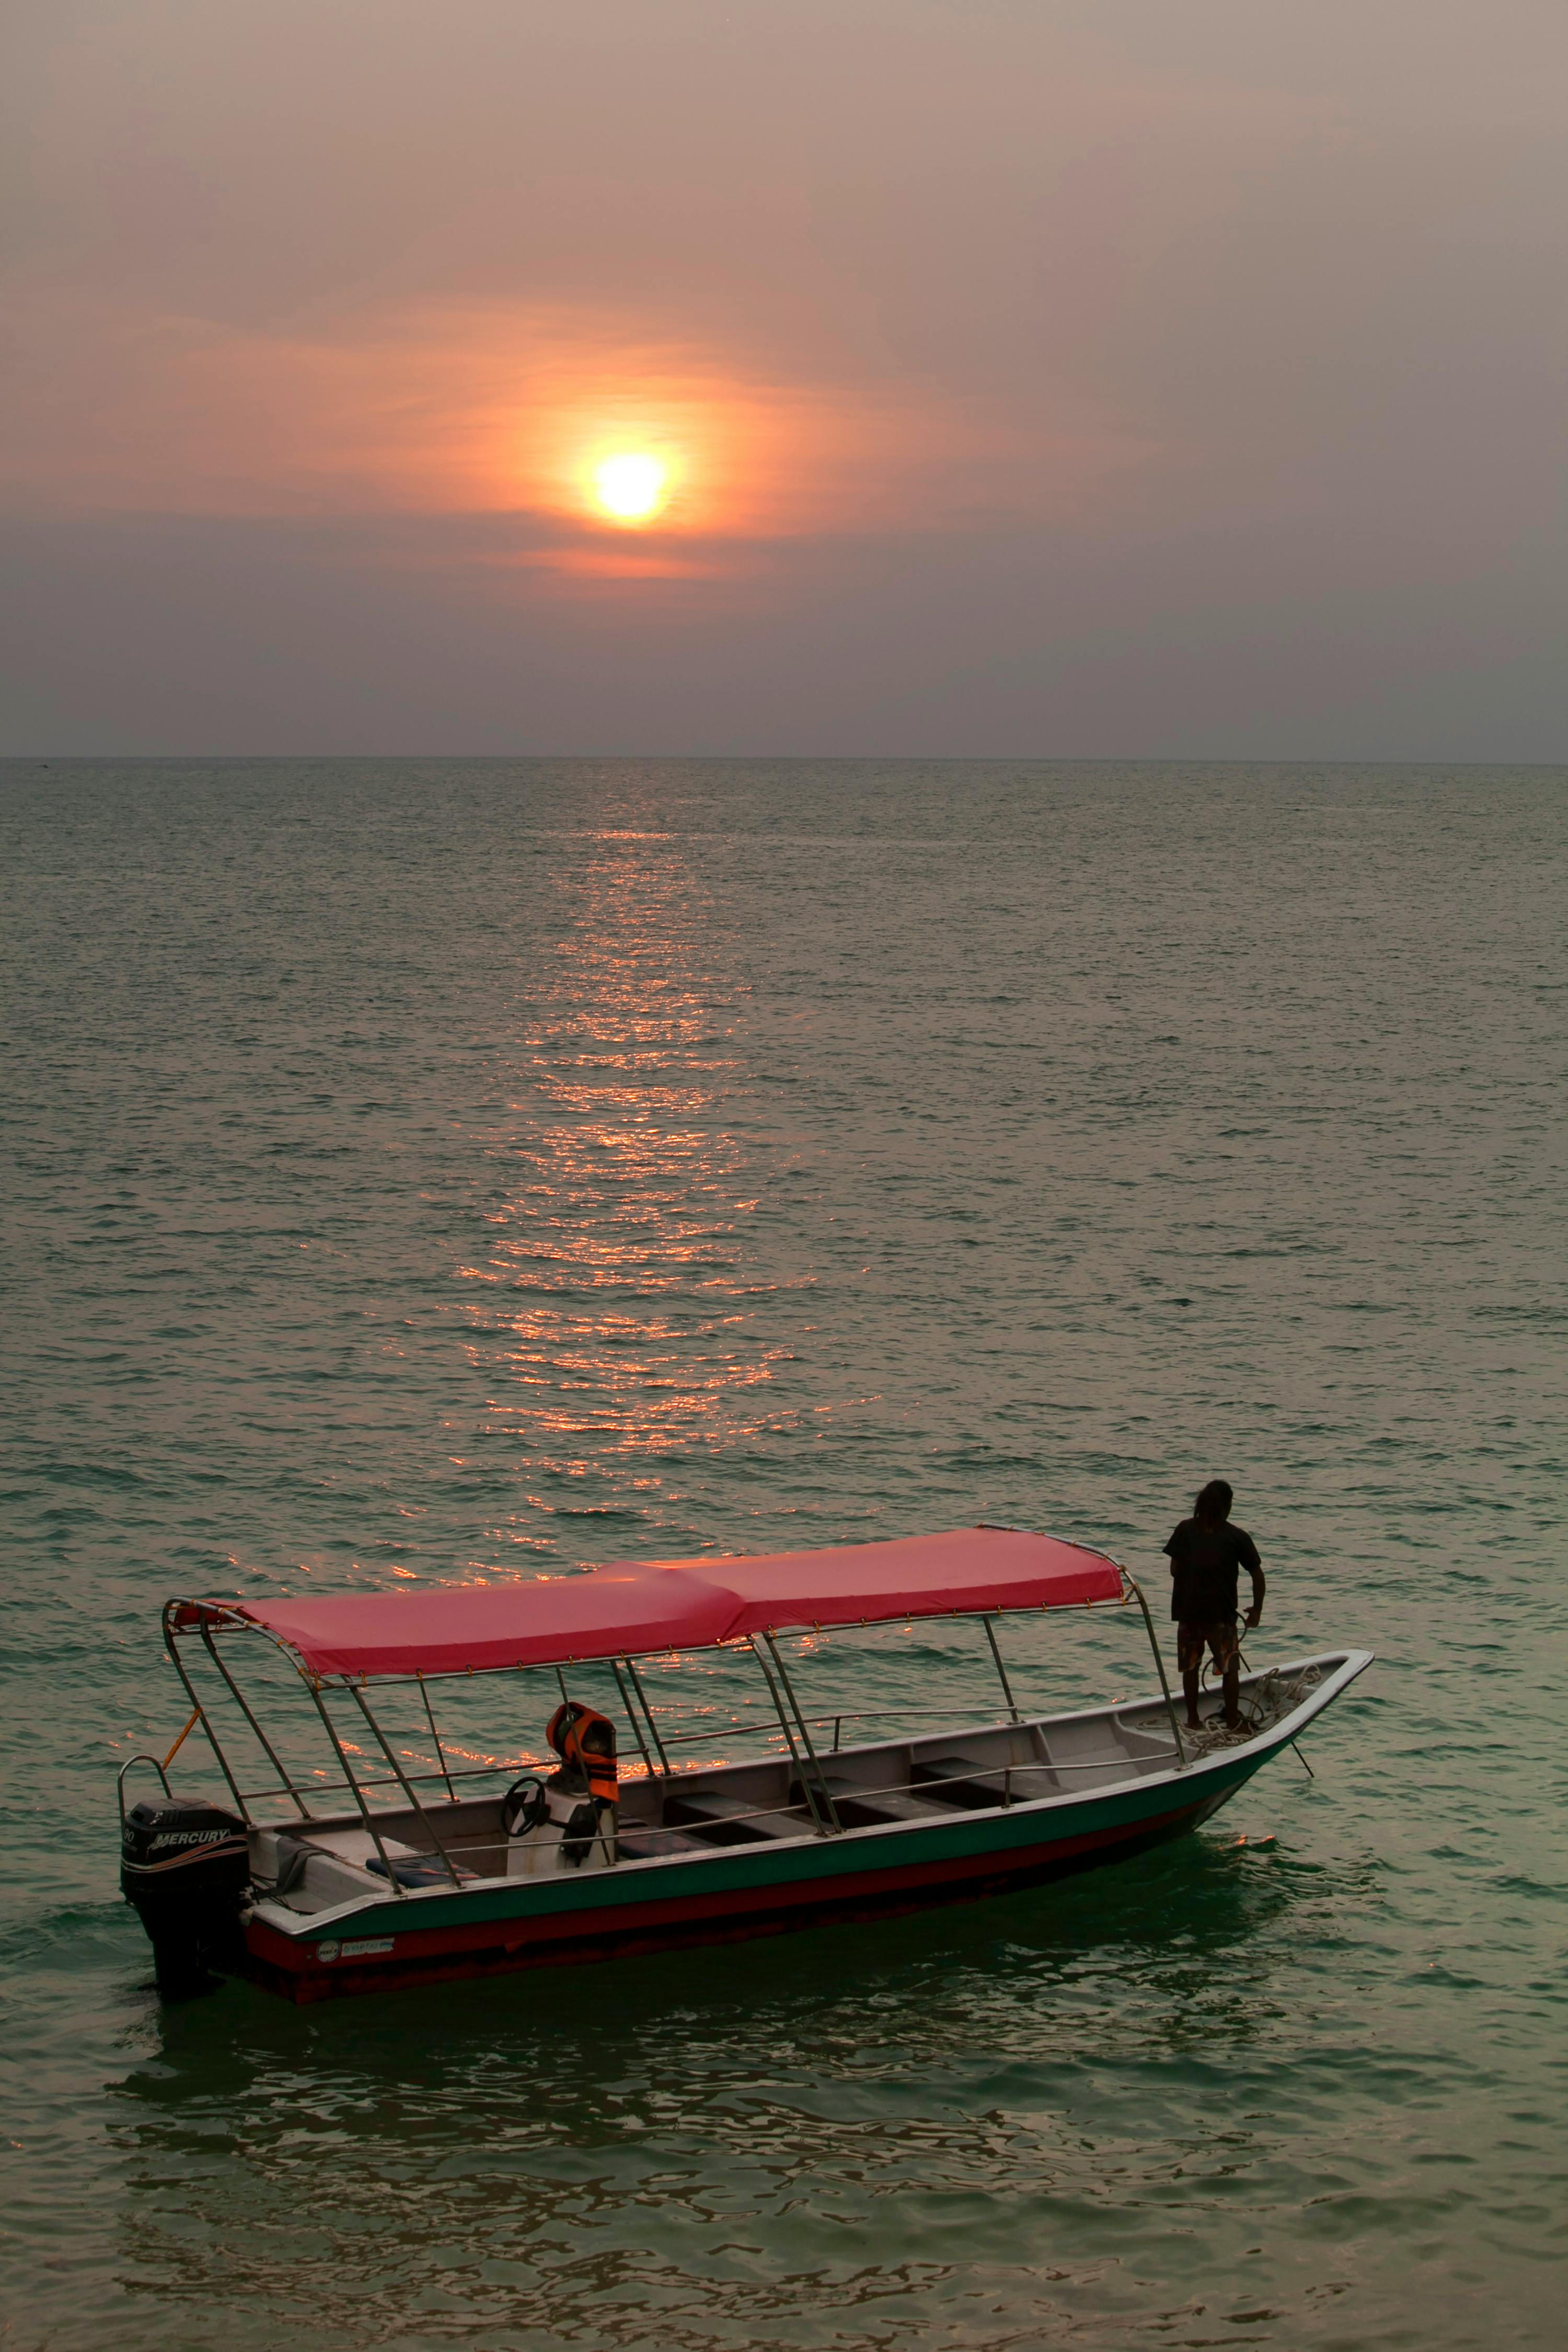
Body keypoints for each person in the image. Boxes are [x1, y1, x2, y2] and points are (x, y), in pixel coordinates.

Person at [1162, 1479, 1265, 1732]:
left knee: (1191, 1668)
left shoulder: (1185, 1530)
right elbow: (1257, 1574)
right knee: (1229, 1669)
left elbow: (1174, 1569)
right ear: (1227, 1506)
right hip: (1221, 1616)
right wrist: (1257, 1608)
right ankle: (1232, 1722)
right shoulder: (1236, 1537)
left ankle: (1193, 1720)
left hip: (1189, 1614)